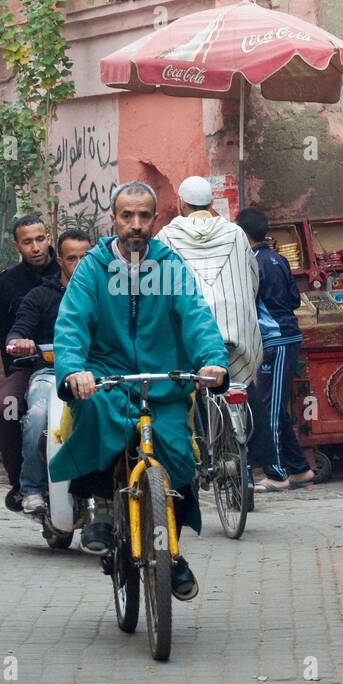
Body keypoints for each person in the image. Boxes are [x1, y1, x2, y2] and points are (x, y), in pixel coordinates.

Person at [51, 181, 228, 599]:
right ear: (112, 219)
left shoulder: (169, 265)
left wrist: (212, 358)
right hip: (106, 378)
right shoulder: (93, 267)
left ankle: (174, 553)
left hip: (163, 381)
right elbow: (71, 324)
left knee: (179, 456)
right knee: (93, 413)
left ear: (155, 219)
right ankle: (102, 507)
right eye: (126, 216)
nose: (135, 224)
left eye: (144, 216)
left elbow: (195, 314)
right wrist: (75, 370)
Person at [156, 177, 274, 476]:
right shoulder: (235, 233)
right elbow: (251, 277)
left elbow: (158, 285)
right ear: (211, 204)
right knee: (241, 382)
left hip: (191, 327)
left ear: (181, 204)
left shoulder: (166, 236)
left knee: (188, 387)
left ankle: (198, 457)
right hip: (234, 326)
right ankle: (259, 456)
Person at [5, 228, 92, 514]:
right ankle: (30, 487)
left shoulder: (105, 294)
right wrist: (19, 341)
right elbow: (18, 329)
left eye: (84, 257)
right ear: (60, 261)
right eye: (71, 258)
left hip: (95, 373)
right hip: (49, 372)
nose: (78, 264)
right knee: (37, 418)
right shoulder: (41, 295)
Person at [238, 208, 314, 493]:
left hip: (275, 339)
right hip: (284, 336)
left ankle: (276, 472)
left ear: (243, 235)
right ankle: (299, 469)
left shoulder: (253, 262)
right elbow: (295, 298)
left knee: (268, 407)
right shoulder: (278, 259)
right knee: (276, 406)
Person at [0, 215, 59, 509]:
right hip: (28, 365)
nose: (35, 247)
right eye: (27, 241)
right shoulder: (7, 281)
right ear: (17, 244)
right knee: (4, 409)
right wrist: (13, 371)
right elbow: (6, 333)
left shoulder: (73, 269)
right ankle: (21, 484)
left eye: (40, 239)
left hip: (75, 362)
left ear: (49, 238)